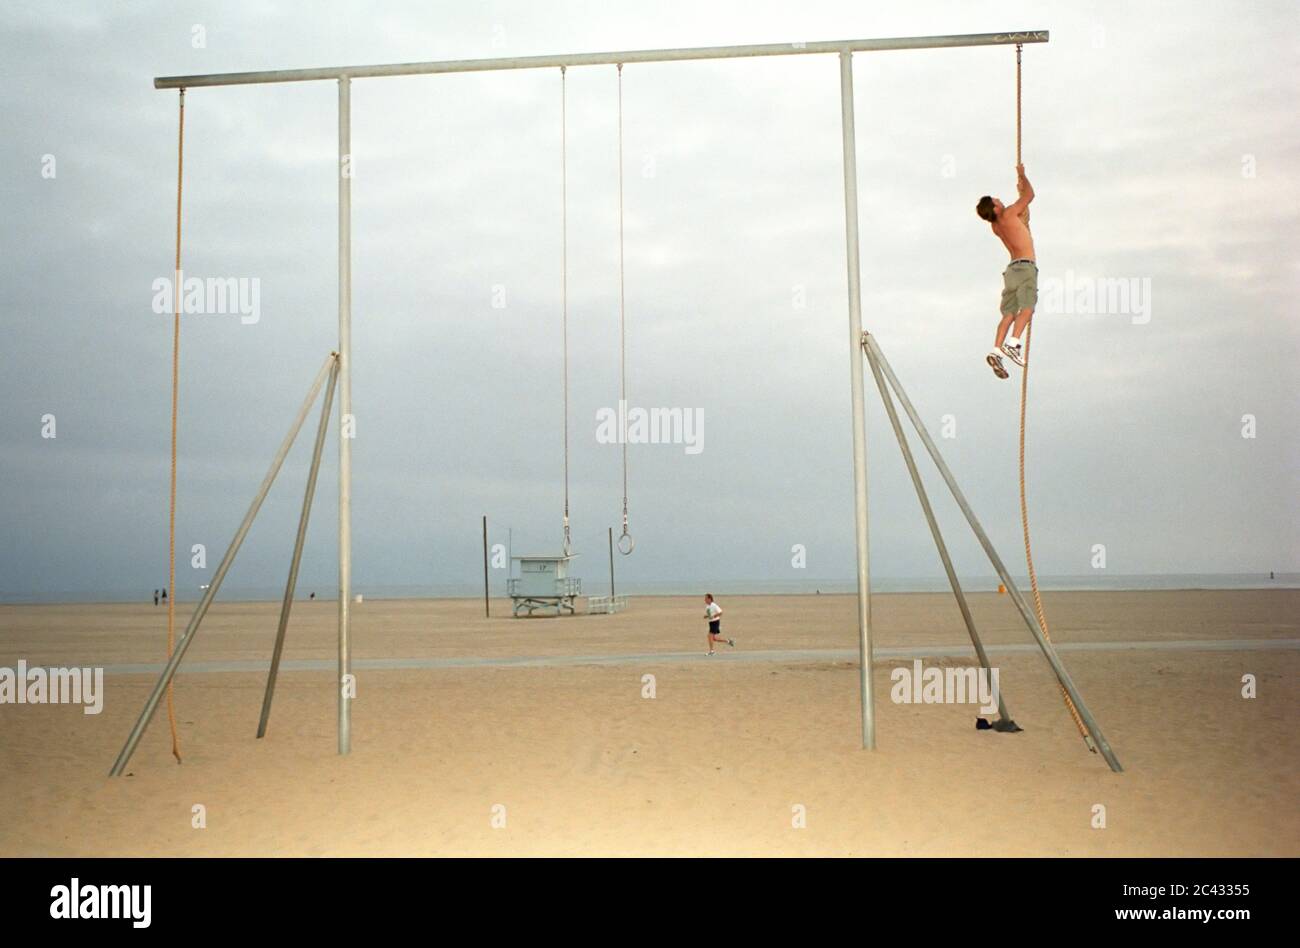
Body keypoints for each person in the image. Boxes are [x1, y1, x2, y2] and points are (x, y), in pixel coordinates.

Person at [976, 164, 1036, 380]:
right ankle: (1013, 344)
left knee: (1008, 314)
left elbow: (1018, 214)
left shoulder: (996, 227)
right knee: (1027, 310)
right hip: (1025, 267)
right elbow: (1029, 195)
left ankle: (996, 350)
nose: (999, 199)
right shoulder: (1009, 213)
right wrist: (1022, 176)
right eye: (996, 199)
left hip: (1010, 271)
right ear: (995, 207)